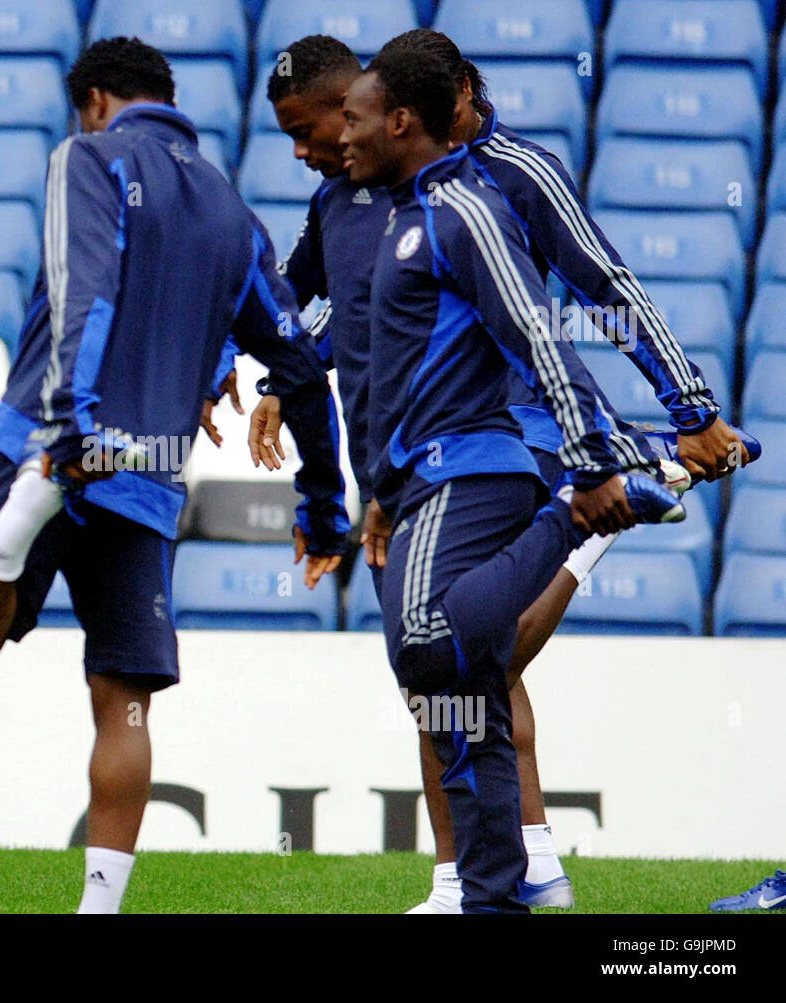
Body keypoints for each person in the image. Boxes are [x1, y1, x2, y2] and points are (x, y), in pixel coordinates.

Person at [0, 36, 349, 914]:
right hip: (150, 483)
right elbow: (300, 365)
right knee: (126, 704)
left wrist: (72, 428)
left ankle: (14, 529)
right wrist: (324, 502)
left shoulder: (89, 156)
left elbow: (90, 288)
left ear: (96, 100)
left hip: (49, 447)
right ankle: (100, 909)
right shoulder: (233, 213)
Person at [339, 43, 685, 912]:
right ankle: (494, 893)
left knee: (427, 642)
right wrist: (379, 490)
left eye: (354, 117)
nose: (342, 134)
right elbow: (382, 362)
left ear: (401, 121)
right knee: (464, 686)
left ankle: (579, 519)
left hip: (471, 470)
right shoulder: (404, 212)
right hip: (417, 483)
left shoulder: (465, 207)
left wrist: (591, 466)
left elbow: (540, 333)